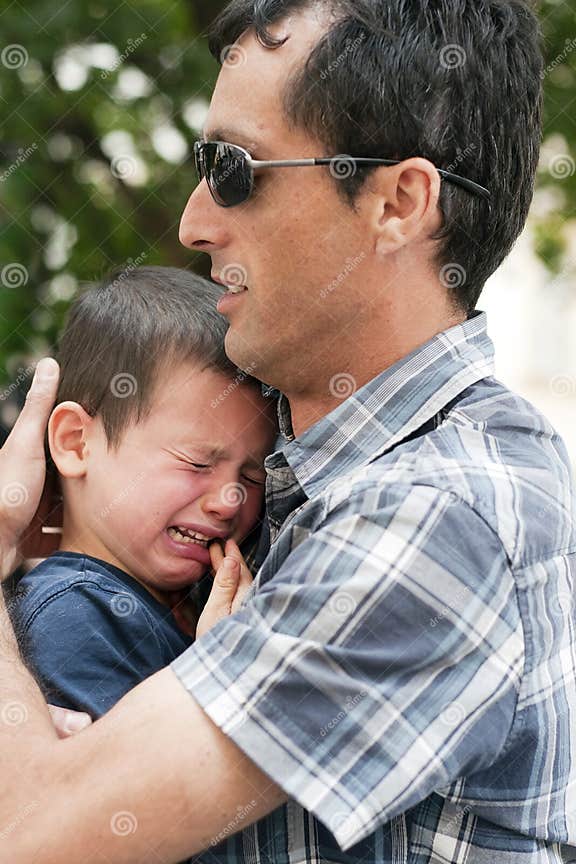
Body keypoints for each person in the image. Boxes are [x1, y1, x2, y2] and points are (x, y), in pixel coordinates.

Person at [1, 1, 575, 862]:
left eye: (231, 168)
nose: (194, 222)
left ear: (397, 202)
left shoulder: (436, 515)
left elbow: (30, 837)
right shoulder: (297, 459)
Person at [6, 266, 276, 719]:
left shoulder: (174, 604)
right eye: (197, 463)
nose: (229, 500)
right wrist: (220, 673)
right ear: (76, 442)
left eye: (253, 478)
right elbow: (120, 788)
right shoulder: (74, 613)